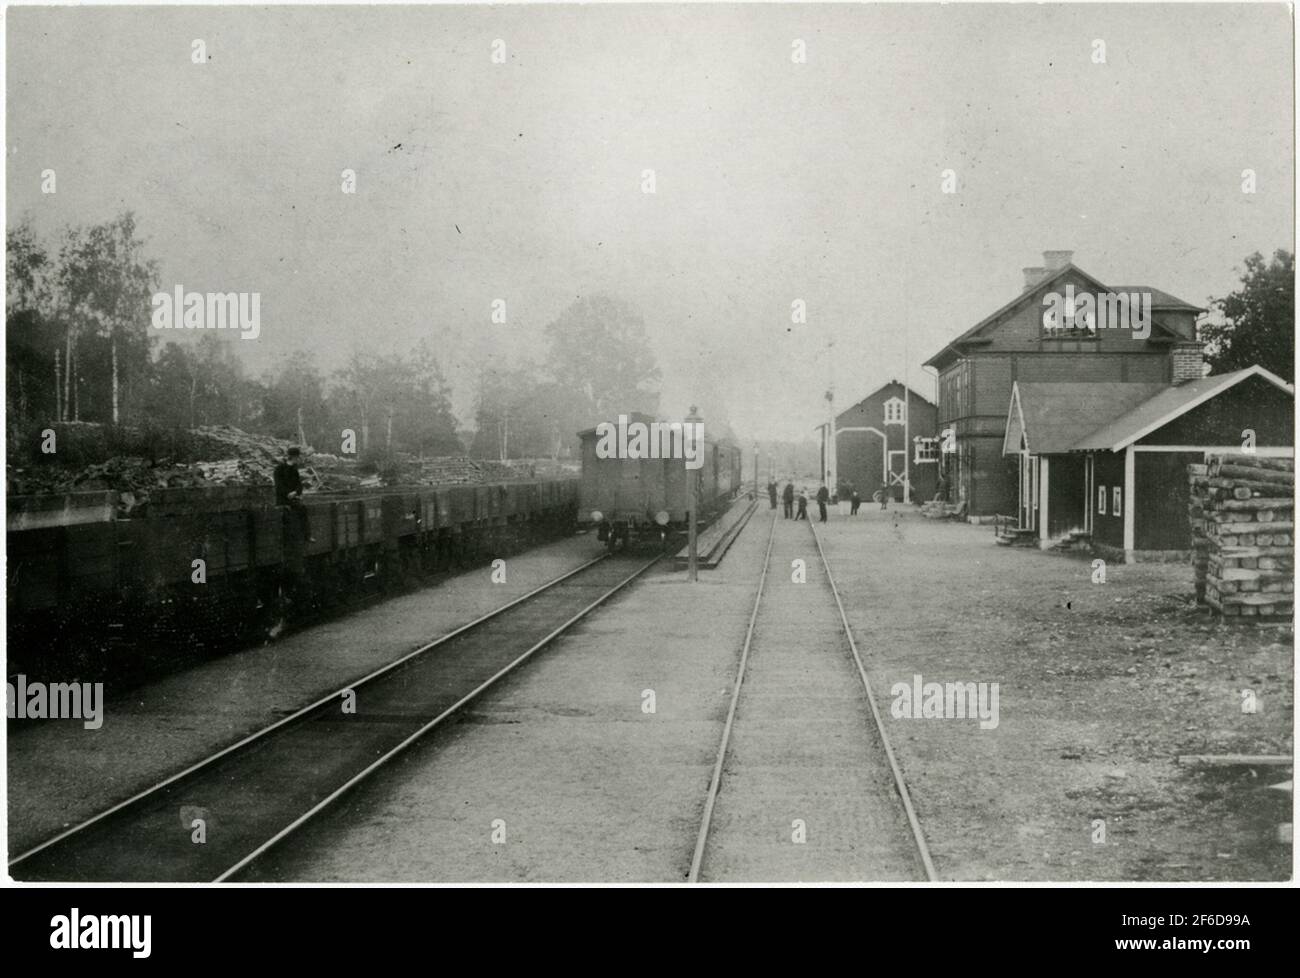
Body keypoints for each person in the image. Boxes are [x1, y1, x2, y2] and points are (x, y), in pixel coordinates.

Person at [274, 447, 313, 541]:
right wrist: (288, 494)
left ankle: (307, 536)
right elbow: (278, 485)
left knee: (303, 508)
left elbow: (299, 485)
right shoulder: (279, 469)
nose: (300, 459)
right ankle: (297, 538)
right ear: (295, 457)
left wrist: (295, 492)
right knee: (290, 513)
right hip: (282, 499)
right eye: (299, 457)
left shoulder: (294, 470)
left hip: (293, 498)